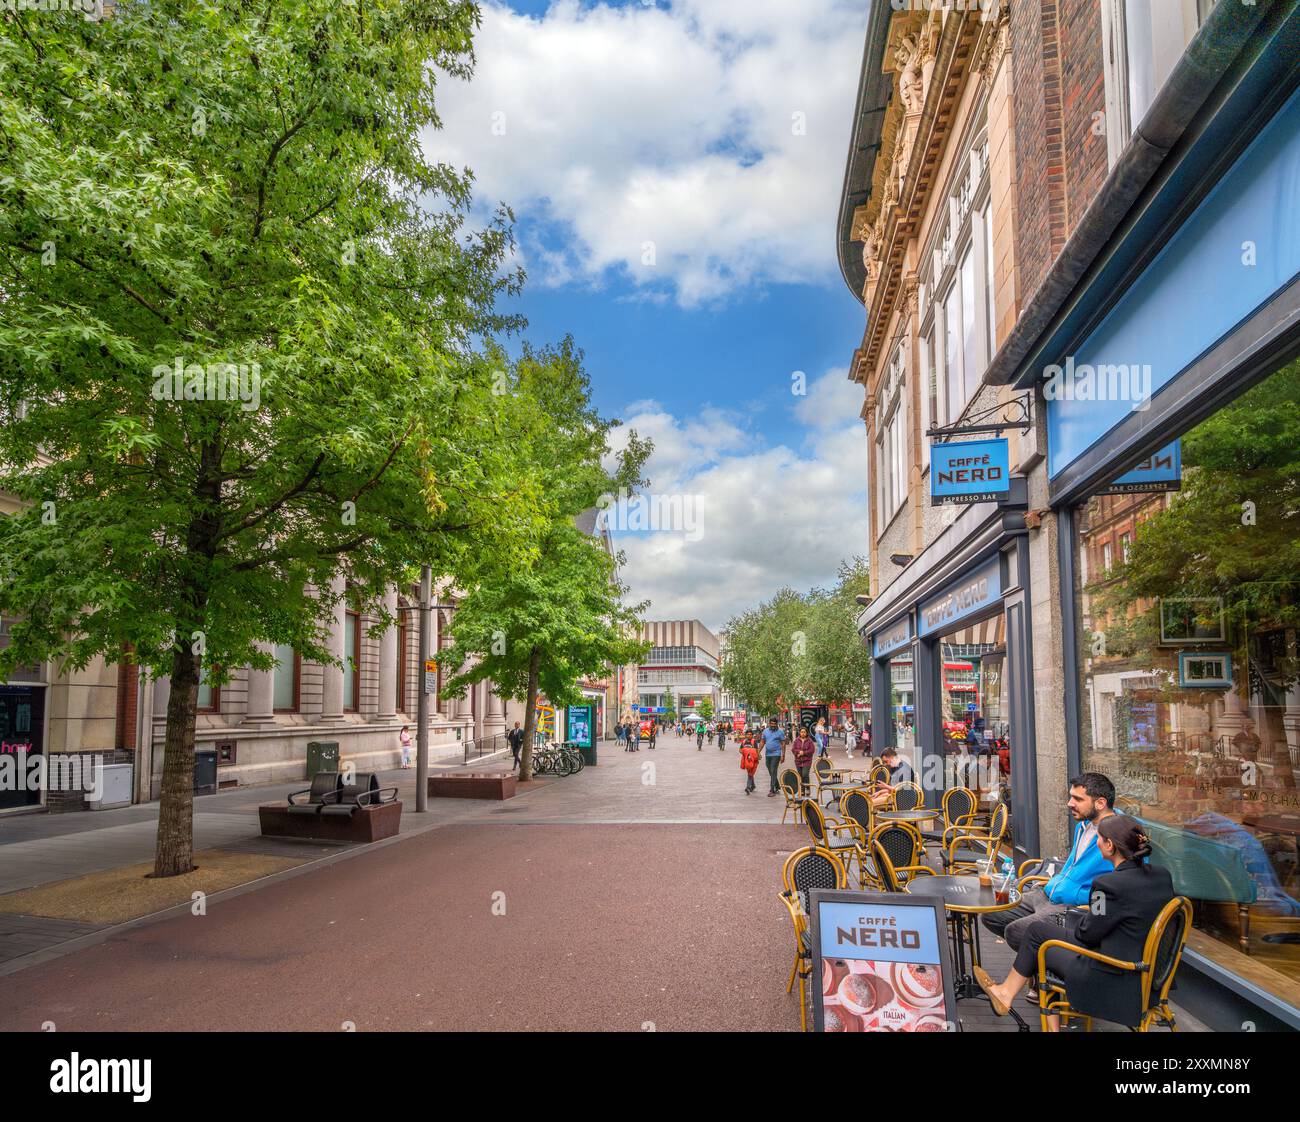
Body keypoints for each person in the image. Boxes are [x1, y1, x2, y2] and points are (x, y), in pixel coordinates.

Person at [976, 815, 1175, 1030]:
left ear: (1109, 845)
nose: (1096, 843)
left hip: (1114, 976)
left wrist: (1075, 923)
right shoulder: (1162, 876)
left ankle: (1007, 993)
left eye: (1098, 838)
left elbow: (1088, 934)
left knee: (1038, 936)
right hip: (1151, 974)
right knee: (1045, 936)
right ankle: (1015, 997)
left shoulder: (1106, 885)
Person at [981, 772, 1118, 954]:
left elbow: (1116, 893)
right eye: (1071, 797)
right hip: (1049, 893)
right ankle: (1038, 960)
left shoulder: (1118, 836)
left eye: (1077, 799)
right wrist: (1054, 884)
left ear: (1100, 803)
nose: (1070, 803)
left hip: (1072, 906)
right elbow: (1072, 868)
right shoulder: (1083, 826)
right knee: (990, 914)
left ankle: (1047, 969)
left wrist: (1073, 895)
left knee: (1016, 932)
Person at [762, 717, 787, 796]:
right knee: (770, 771)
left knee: (773, 770)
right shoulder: (765, 731)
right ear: (769, 723)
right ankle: (777, 785)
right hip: (767, 754)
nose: (773, 725)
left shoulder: (780, 732)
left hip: (776, 754)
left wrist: (783, 755)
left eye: (774, 724)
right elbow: (762, 742)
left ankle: (772, 790)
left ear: (777, 724)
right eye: (771, 723)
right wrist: (758, 752)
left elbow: (783, 744)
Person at [791, 726, 816, 794]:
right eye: (801, 732)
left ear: (806, 733)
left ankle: (807, 788)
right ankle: (802, 789)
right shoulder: (796, 740)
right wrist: (799, 752)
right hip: (798, 761)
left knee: (805, 774)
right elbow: (793, 749)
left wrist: (804, 753)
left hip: (807, 761)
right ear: (799, 733)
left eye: (804, 732)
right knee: (800, 775)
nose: (803, 733)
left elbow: (812, 750)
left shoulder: (810, 741)